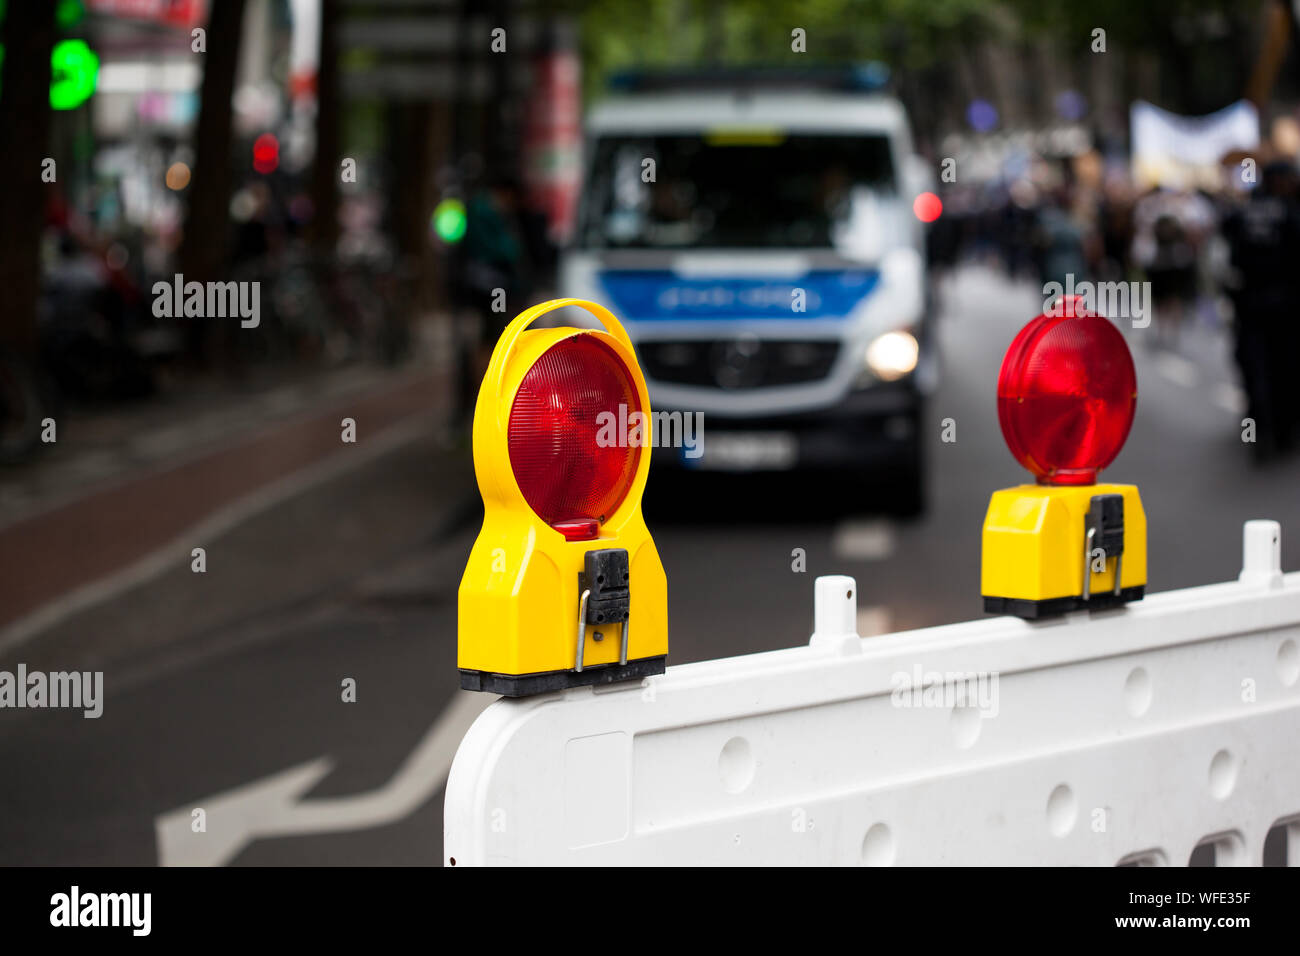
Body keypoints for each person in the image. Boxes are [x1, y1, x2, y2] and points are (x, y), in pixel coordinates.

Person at [1222, 160, 1300, 462]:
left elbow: (1227, 257)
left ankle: (1259, 429)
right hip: (1284, 308)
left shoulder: (1241, 213)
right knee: (1284, 368)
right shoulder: (1289, 213)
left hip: (1251, 306)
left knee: (1255, 368)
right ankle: (1280, 431)